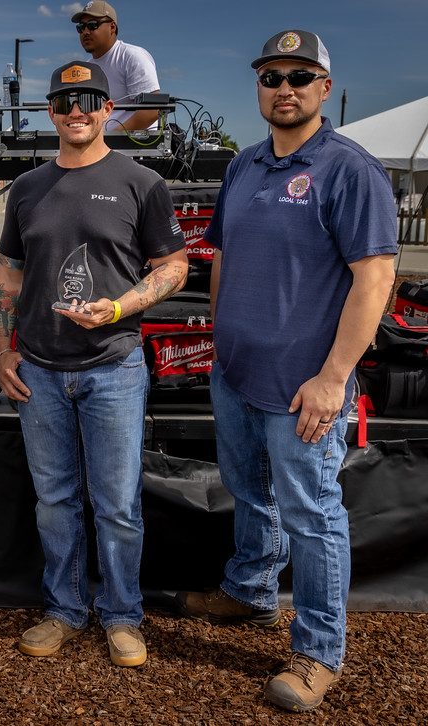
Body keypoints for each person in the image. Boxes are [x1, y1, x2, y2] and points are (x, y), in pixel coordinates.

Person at [174, 30, 397, 712]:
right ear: (260, 89)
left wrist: (333, 378)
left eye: (301, 75)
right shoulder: (243, 167)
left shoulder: (349, 169)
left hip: (305, 382)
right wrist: (218, 339)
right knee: (248, 489)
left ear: (324, 88)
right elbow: (221, 260)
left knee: (312, 513)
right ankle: (248, 592)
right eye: (272, 76)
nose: (285, 87)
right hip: (237, 371)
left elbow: (376, 278)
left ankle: (319, 649)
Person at [0, 61, 188, 667]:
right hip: (41, 369)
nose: (77, 111)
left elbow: (175, 267)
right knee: (54, 500)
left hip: (114, 367)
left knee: (118, 505)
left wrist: (118, 308)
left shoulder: (141, 182)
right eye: (65, 101)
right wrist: (3, 349)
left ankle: (123, 616)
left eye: (89, 100)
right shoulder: (26, 187)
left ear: (108, 109)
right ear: (51, 111)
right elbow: (6, 275)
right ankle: (66, 609)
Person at [70, 1, 159, 131]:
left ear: (112, 27)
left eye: (93, 25)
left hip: (135, 146)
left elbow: (152, 111)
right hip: (98, 144)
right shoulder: (87, 68)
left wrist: (109, 139)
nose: (86, 32)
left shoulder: (132, 56)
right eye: (81, 27)